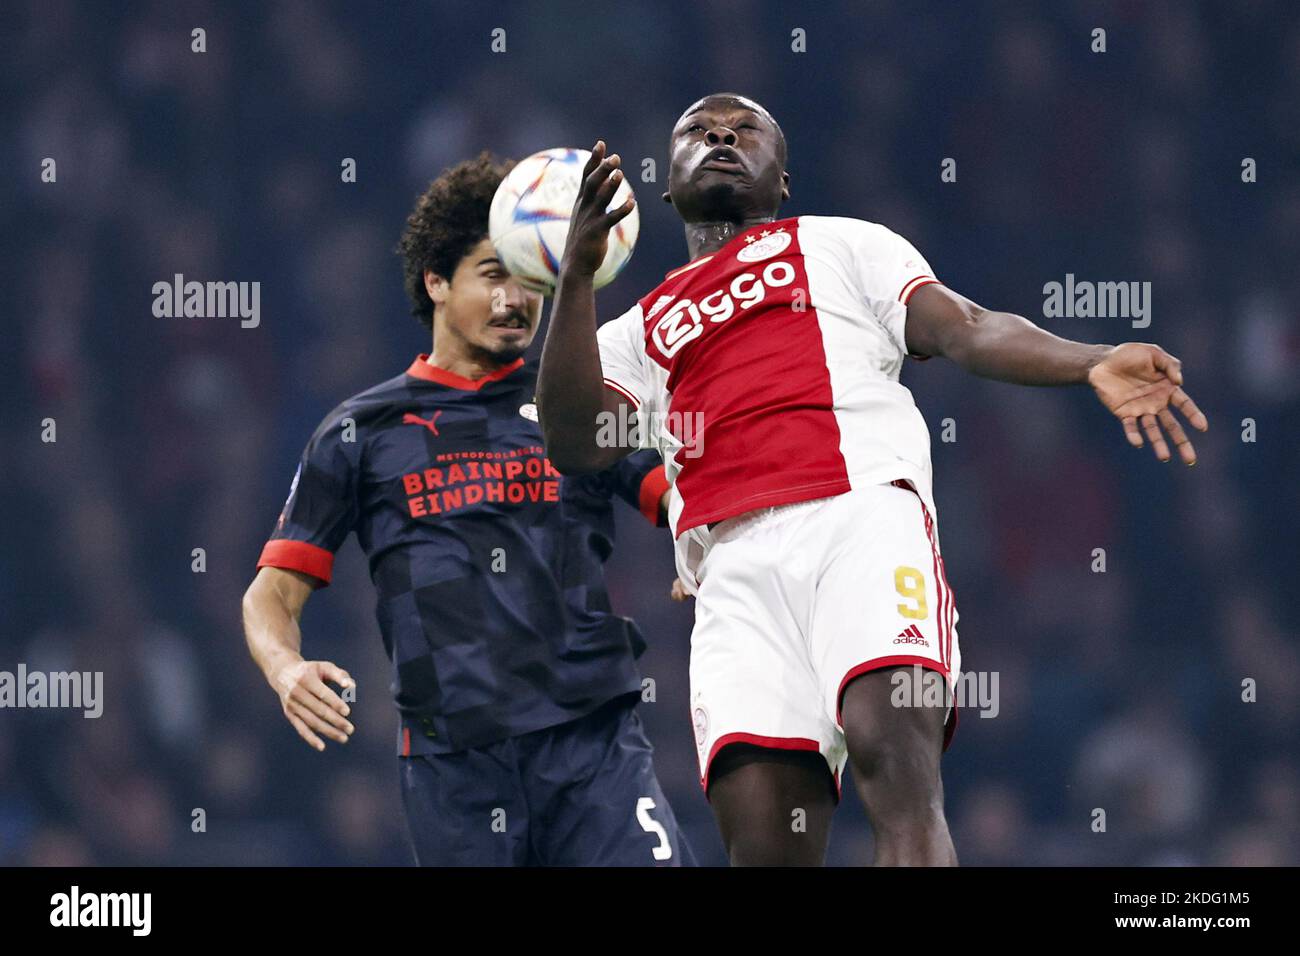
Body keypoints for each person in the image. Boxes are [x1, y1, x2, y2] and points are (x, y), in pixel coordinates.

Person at [535, 93, 1208, 866]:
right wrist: (576, 280)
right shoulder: (637, 327)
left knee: (895, 766)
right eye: (697, 130)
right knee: (763, 844)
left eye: (745, 128)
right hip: (730, 574)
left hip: (858, 523)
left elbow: (967, 327)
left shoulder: (845, 246)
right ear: (666, 183)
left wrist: (1089, 359)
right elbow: (575, 441)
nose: (720, 134)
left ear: (783, 180)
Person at [242, 153, 691, 866]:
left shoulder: (571, 408)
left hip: (593, 744)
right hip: (455, 767)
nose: (517, 299)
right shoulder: (362, 431)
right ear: (436, 283)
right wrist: (285, 669)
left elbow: (684, 500)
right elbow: (269, 597)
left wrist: (700, 549)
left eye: (533, 280)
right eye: (494, 274)